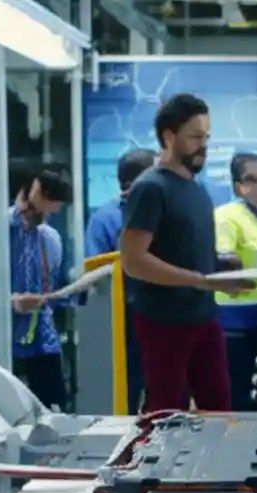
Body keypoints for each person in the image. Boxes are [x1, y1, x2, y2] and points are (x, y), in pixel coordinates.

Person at [119, 93, 253, 412]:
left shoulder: (196, 190)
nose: (203, 144)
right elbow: (134, 261)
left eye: (206, 136)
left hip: (204, 318)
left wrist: (221, 268)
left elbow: (181, 252)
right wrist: (202, 280)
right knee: (165, 413)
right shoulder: (150, 188)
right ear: (169, 136)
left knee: (218, 409)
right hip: (164, 322)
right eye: (194, 137)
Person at [0, 169, 74, 410]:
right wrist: (7, 302)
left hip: (41, 337)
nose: (51, 213)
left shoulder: (50, 239)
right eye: (49, 203)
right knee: (0, 409)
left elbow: (54, 282)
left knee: (53, 406)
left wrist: (53, 298)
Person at [85, 148, 157, 413]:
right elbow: (97, 269)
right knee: (130, 382)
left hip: (164, 314)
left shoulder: (163, 212)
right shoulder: (105, 219)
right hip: (125, 317)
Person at [214, 152, 257, 411]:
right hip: (233, 326)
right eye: (251, 180)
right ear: (237, 186)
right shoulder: (227, 216)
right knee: (238, 402)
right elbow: (225, 261)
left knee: (256, 399)